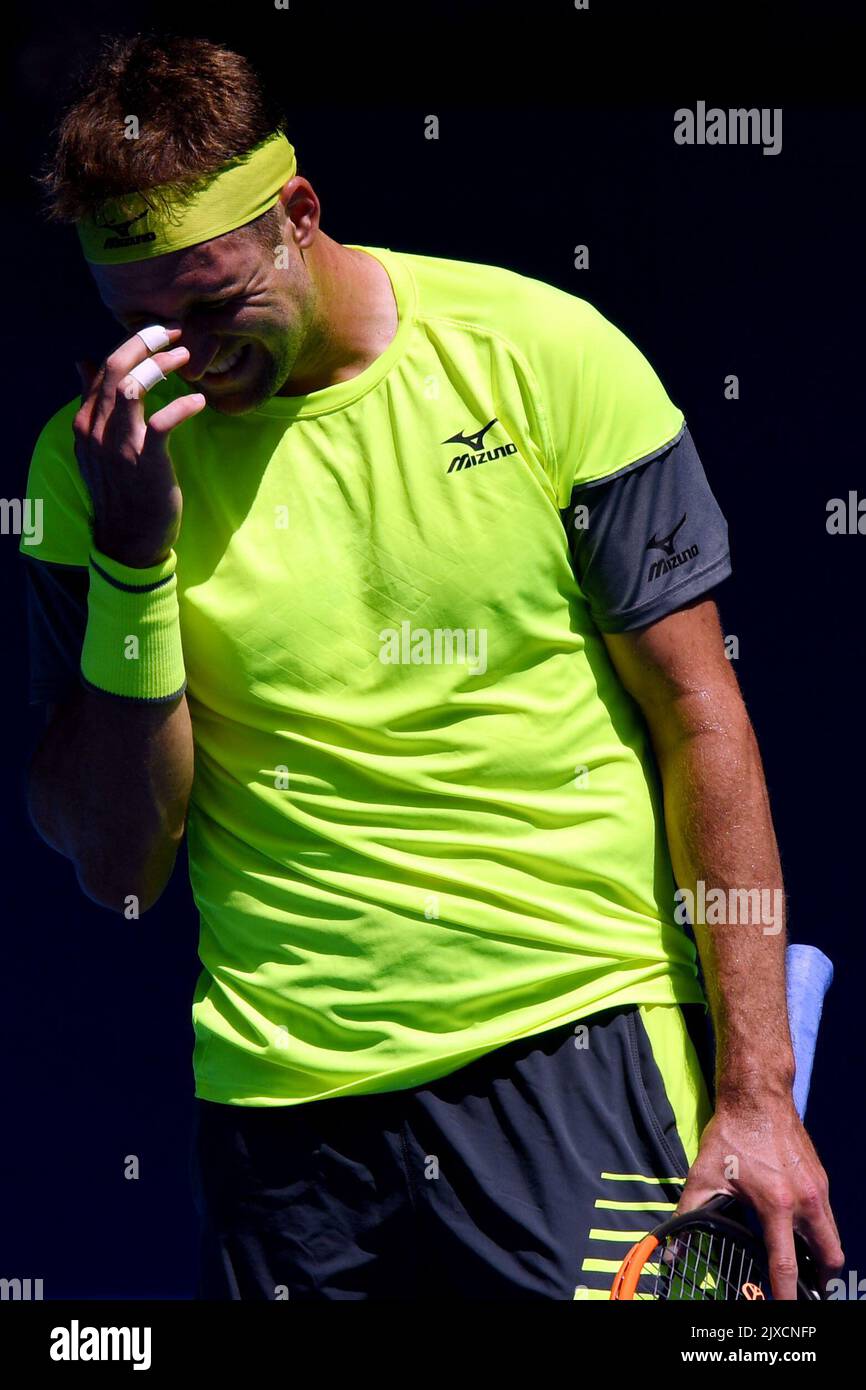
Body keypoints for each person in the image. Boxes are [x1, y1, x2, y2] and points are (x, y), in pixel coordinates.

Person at [21, 34, 843, 1300]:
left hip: (572, 1048)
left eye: (213, 303)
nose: (181, 352)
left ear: (299, 212)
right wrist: (134, 563)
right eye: (138, 321)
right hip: (283, 1119)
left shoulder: (547, 355)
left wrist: (755, 1095)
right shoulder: (97, 469)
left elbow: (701, 719)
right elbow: (119, 862)